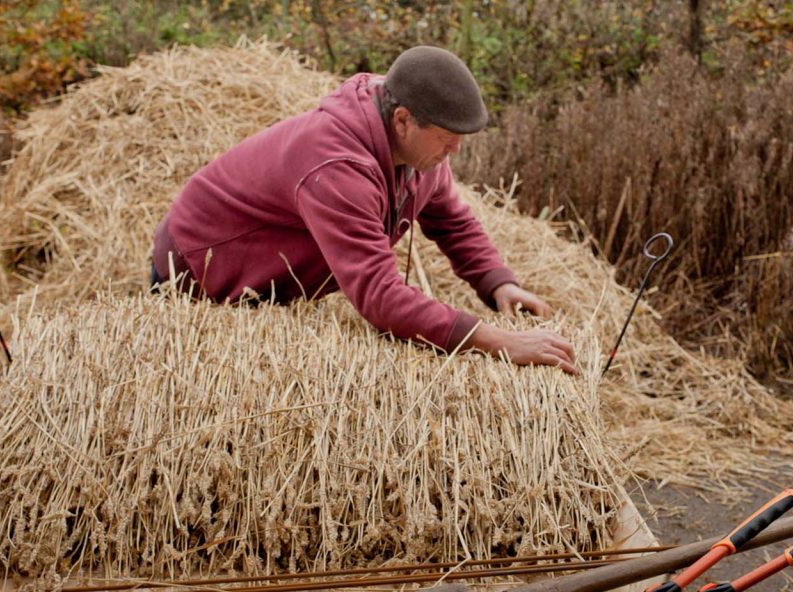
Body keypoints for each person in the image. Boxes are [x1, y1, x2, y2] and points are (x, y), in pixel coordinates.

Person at [152, 45, 576, 374]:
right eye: (448, 137)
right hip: (199, 266)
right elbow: (379, 295)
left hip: (263, 274)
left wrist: (497, 282)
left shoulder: (418, 149)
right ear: (404, 121)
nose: (456, 150)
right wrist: (497, 341)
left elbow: (450, 219)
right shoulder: (336, 165)